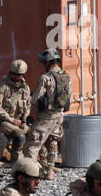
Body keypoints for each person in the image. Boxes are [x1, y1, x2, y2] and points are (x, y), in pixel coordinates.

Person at [25, 49, 71, 179]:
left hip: (46, 117)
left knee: (32, 146)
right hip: (59, 116)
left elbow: (35, 99)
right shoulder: (66, 76)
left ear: (48, 62)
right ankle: (48, 172)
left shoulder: (46, 78)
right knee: (52, 143)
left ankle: (29, 174)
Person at [0, 59, 32, 162]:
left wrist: (25, 120)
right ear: (10, 73)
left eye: (19, 75)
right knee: (20, 136)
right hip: (3, 122)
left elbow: (28, 105)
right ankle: (16, 163)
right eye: (14, 74)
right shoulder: (1, 87)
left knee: (35, 135)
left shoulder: (25, 88)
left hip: (19, 122)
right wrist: (11, 120)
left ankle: (38, 164)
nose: (17, 77)